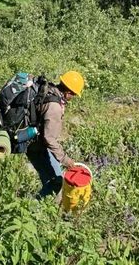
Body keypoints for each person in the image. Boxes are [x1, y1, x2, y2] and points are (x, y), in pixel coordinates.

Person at [26, 70, 84, 200]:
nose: (73, 97)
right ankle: (30, 209)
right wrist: (65, 160)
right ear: (68, 92)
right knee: (55, 183)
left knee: (57, 180)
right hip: (36, 147)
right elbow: (49, 138)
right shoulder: (54, 107)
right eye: (74, 94)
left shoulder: (51, 90)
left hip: (40, 144)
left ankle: (45, 208)